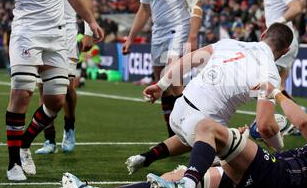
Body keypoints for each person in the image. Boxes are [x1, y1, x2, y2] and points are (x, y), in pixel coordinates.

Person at [62, 84, 307, 188]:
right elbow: (292, 160)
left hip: (275, 177)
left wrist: (279, 94)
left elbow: (305, 125)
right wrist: (243, 146)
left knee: (208, 128)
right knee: (171, 179)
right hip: (265, 183)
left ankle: (189, 182)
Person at [0, 0, 104, 181]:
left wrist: (91, 22)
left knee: (56, 101)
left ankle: (25, 144)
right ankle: (13, 163)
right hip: (26, 35)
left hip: (56, 37)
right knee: (22, 94)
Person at [125, 23, 293, 174]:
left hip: (178, 111)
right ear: (286, 50)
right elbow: (264, 127)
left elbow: (188, 60)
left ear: (263, 35)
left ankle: (146, 157)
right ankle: (185, 173)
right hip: (202, 125)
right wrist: (279, 146)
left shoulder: (229, 43)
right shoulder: (270, 72)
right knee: (245, 166)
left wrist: (160, 86)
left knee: (192, 133)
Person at [121, 0, 203, 138]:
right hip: (158, 33)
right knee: (162, 83)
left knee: (173, 79)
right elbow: (143, 10)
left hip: (179, 30)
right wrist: (131, 38)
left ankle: (191, 131)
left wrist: (192, 36)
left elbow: (196, 6)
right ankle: (173, 135)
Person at [229, 0, 301, 92]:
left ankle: (282, 112)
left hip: (282, 39)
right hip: (280, 38)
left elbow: (296, 8)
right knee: (277, 86)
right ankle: (294, 112)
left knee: (266, 82)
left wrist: (276, 24)